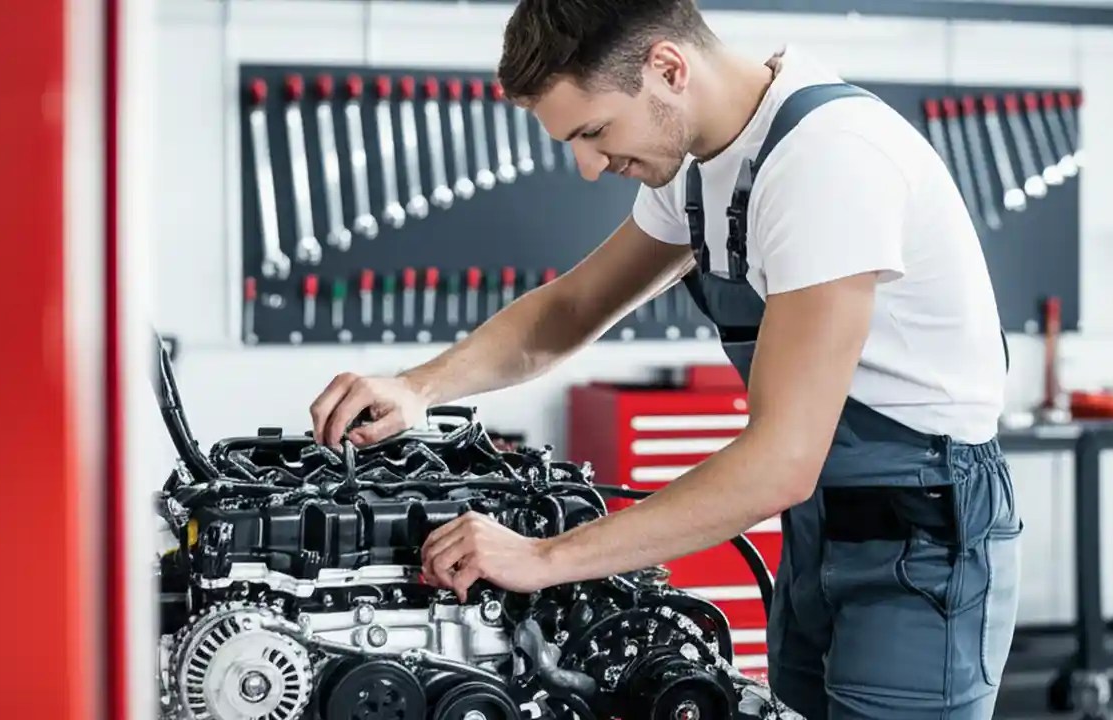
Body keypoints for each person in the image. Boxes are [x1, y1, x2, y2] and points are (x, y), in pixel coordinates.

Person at [309, 1, 1022, 717]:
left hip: (925, 537)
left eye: (594, 132)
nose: (589, 166)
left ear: (668, 70)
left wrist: (543, 558)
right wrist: (415, 387)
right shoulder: (704, 167)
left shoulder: (825, 162)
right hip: (822, 526)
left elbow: (781, 460)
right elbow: (567, 311)